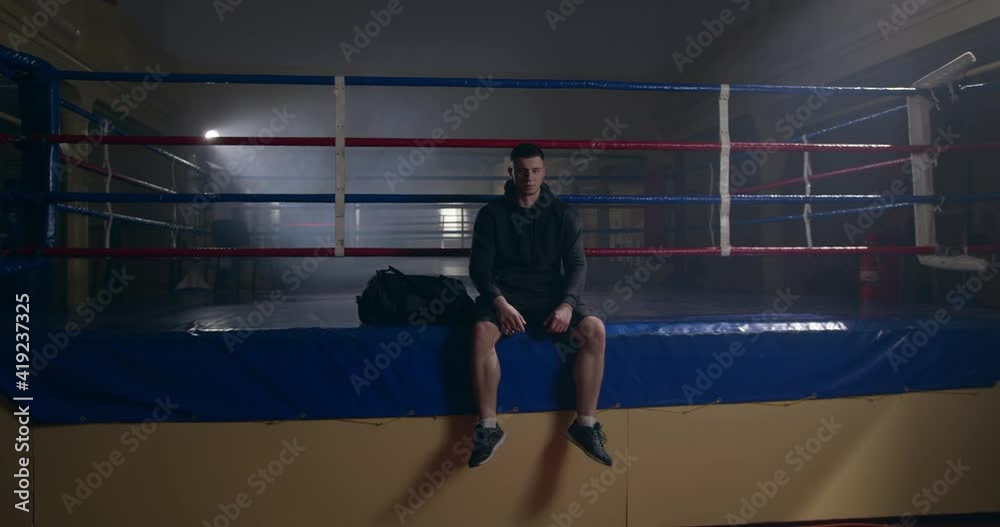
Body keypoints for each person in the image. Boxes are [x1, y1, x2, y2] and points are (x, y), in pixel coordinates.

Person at [467, 143, 610, 467]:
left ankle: (585, 424)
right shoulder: (492, 215)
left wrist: (567, 305)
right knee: (479, 334)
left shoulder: (563, 214)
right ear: (511, 173)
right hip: (506, 297)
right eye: (521, 171)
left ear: (544, 172)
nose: (528, 177)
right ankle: (488, 427)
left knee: (595, 331)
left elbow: (577, 265)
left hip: (550, 298)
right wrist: (500, 304)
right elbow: (479, 269)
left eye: (534, 171)